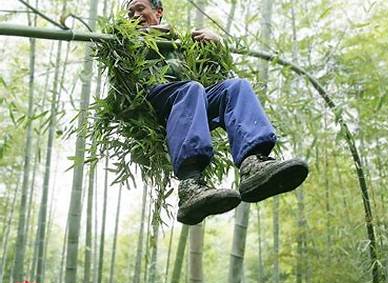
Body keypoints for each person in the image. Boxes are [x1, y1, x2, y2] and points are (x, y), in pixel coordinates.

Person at [126, 0, 309, 225]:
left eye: (139, 8)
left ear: (158, 11)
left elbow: (213, 69)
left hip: (190, 104)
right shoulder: (127, 38)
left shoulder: (180, 43)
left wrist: (216, 44)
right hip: (154, 103)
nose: (135, 15)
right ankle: (190, 184)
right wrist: (163, 33)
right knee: (191, 88)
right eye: (130, 12)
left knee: (235, 87)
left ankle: (253, 165)